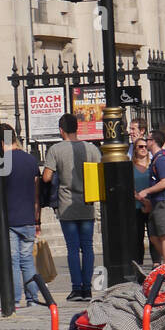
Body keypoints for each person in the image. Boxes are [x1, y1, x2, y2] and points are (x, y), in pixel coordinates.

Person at [42, 113, 100, 300]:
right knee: (88, 247)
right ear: (77, 127)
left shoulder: (55, 150)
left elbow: (46, 177)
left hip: (66, 204)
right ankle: (87, 288)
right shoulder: (91, 149)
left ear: (61, 130)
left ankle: (76, 288)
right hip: (87, 204)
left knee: (73, 248)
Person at [0, 125, 43, 312]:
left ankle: (15, 300)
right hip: (28, 218)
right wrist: (37, 219)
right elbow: (36, 194)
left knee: (13, 261)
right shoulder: (31, 160)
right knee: (27, 260)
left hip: (9, 219)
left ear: (0, 142)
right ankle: (32, 298)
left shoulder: (1, 162)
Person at [135, 130, 165, 265]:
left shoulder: (161, 159)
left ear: (153, 142)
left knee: (164, 235)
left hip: (164, 201)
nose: (146, 143)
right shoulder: (156, 159)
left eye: (147, 140)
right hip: (156, 201)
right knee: (153, 236)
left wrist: (146, 191)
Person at [130, 135, 158, 265]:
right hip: (137, 205)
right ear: (135, 149)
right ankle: (138, 263)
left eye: (145, 147)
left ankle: (156, 263)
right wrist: (142, 199)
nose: (143, 149)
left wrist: (149, 201)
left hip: (152, 205)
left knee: (154, 235)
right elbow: (129, 186)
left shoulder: (153, 165)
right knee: (137, 238)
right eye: (140, 146)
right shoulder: (130, 166)